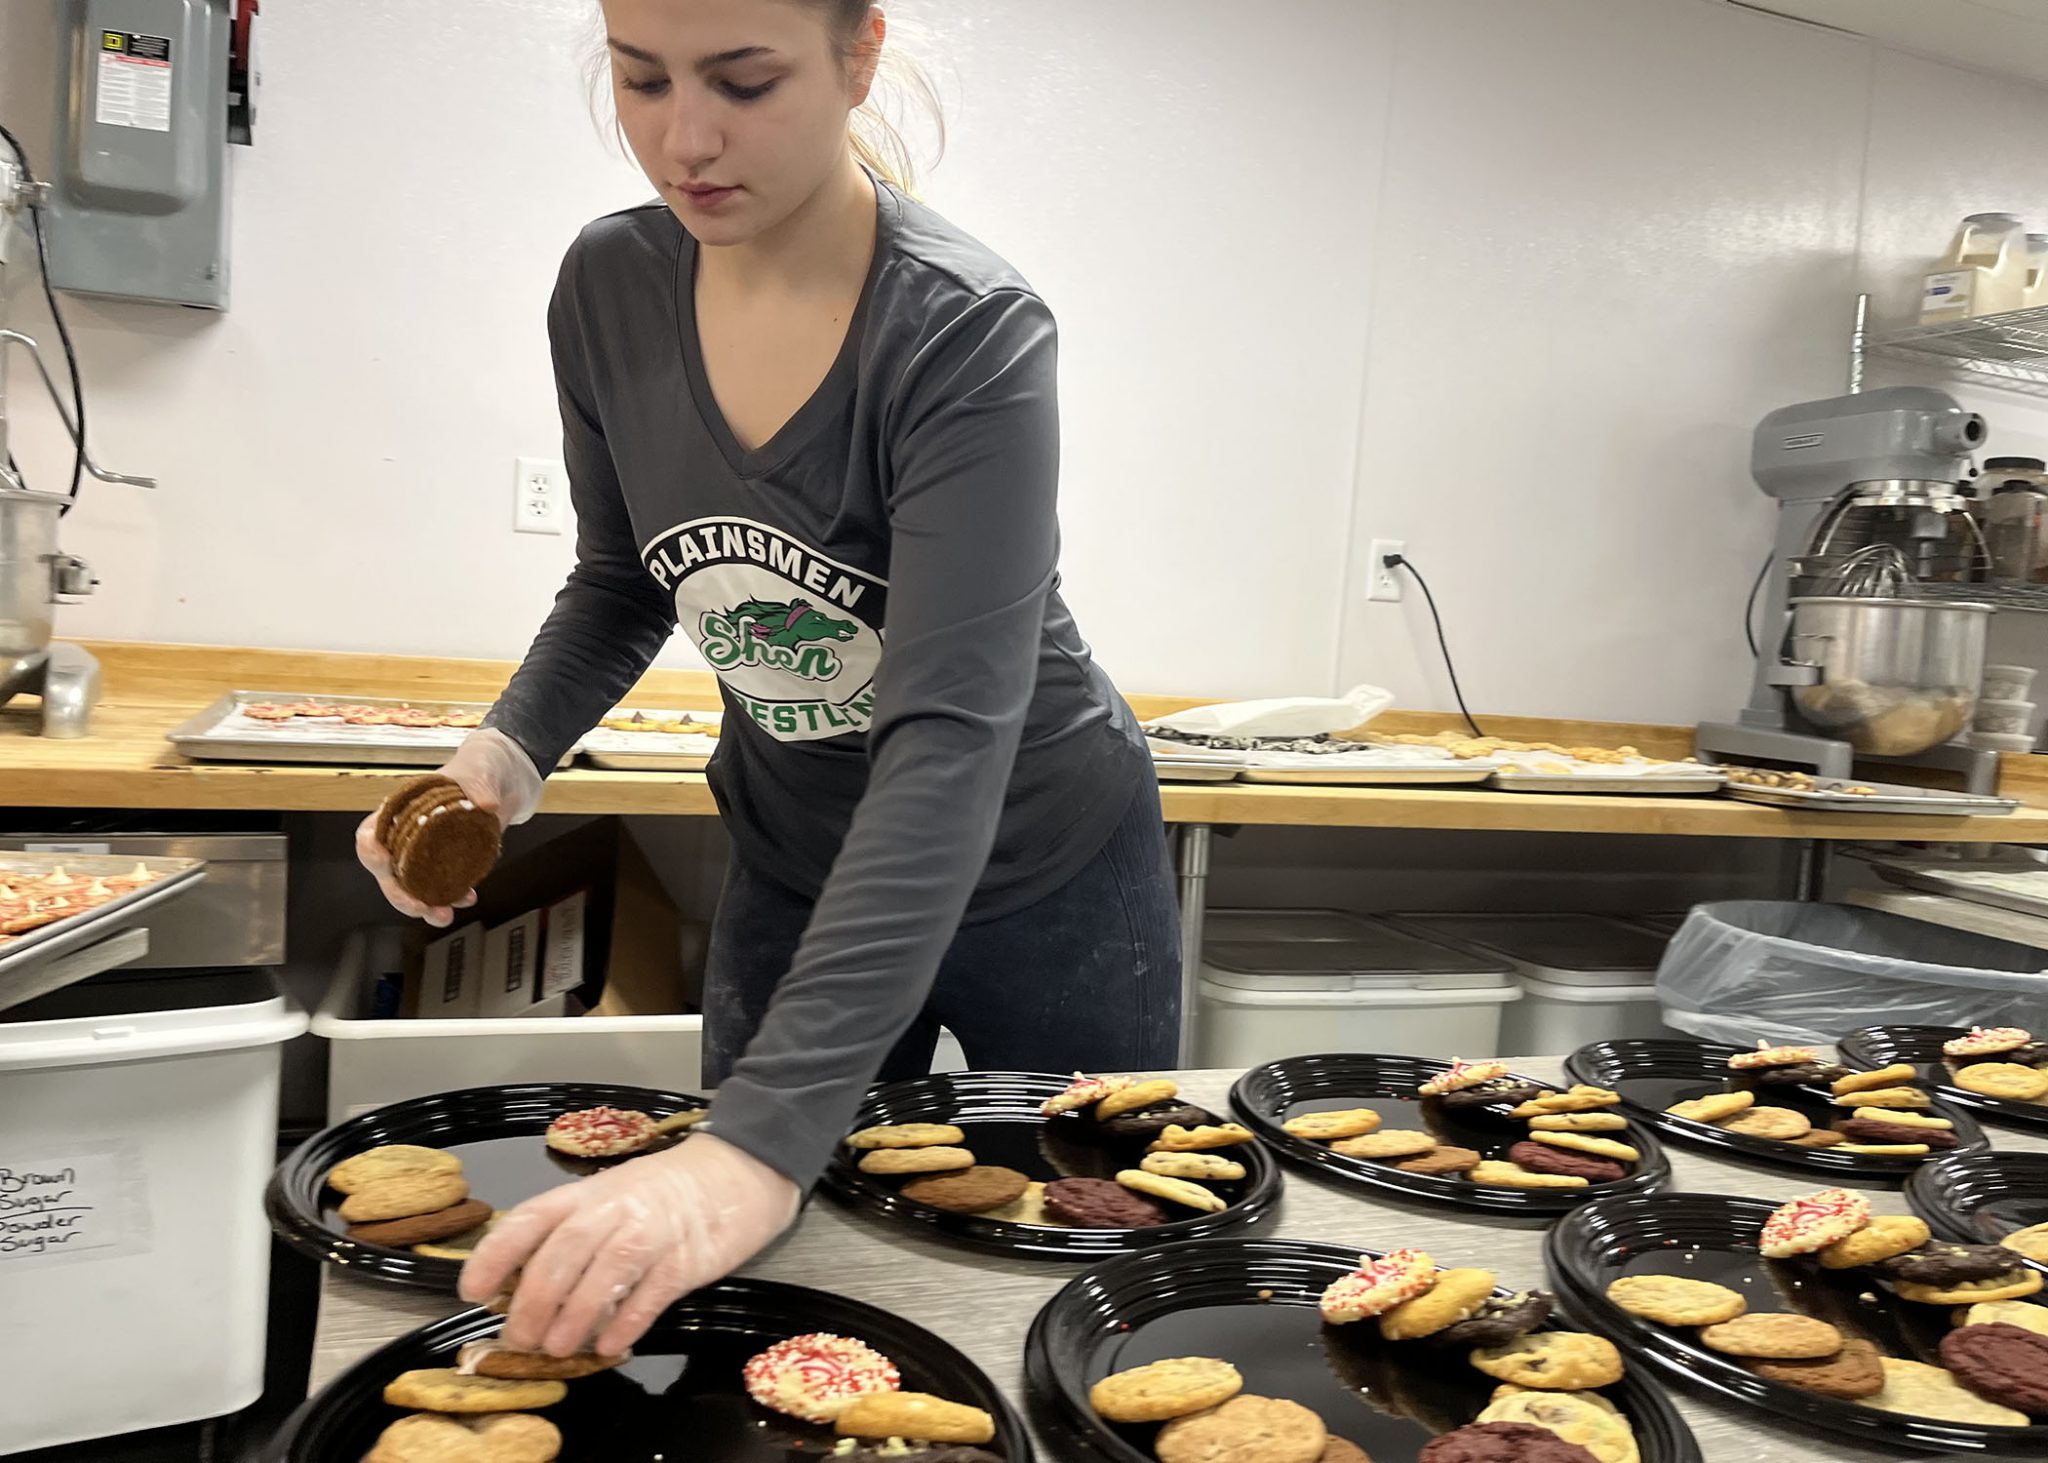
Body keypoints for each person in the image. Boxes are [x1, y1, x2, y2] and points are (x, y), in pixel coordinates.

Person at [355, 0, 1179, 1358]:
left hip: (1050, 866)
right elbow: (626, 578)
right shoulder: (609, 287)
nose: (686, 139)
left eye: (744, 82)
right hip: (800, 856)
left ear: (859, 57)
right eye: (642, 78)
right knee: (761, 1263)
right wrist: (495, 765)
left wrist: (752, 1144)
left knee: (1093, 1245)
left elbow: (946, 740)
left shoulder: (965, 330)